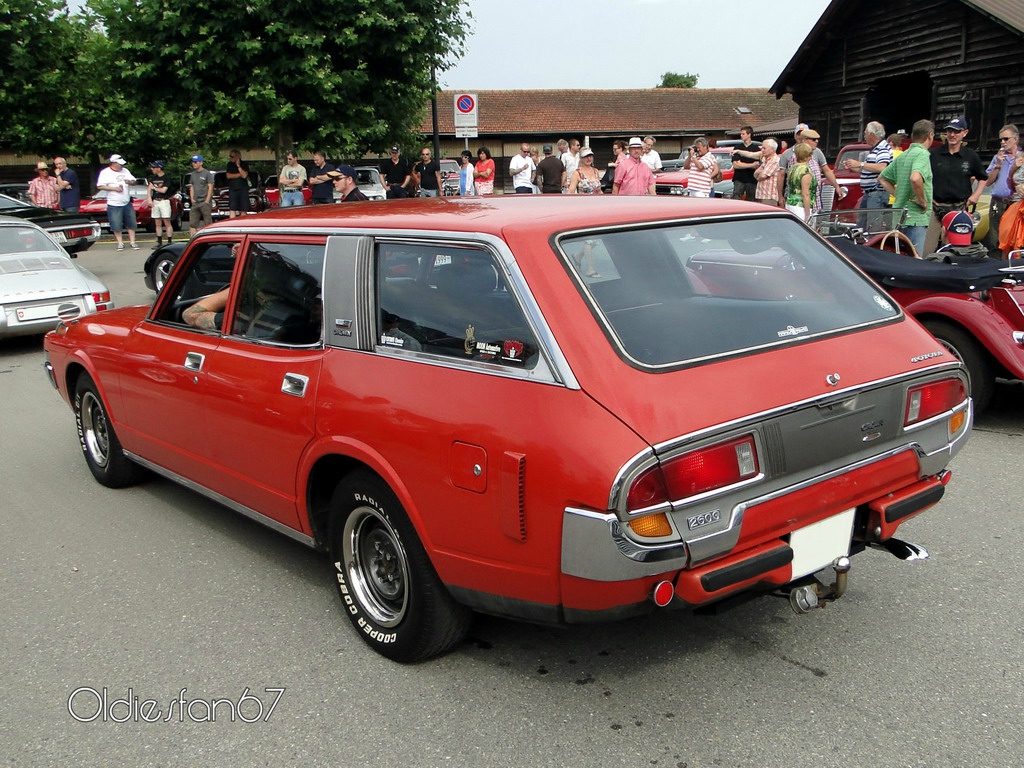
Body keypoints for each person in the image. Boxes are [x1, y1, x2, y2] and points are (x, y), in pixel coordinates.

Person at [926, 117, 986, 253]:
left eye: (956, 132)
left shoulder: (970, 156)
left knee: (956, 250)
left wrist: (976, 194)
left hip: (958, 208)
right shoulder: (933, 154)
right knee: (927, 249)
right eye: (949, 131)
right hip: (935, 207)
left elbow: (983, 177)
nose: (952, 135)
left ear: (964, 133)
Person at [879, 119, 935, 255]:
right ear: (930, 135)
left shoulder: (904, 155)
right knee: (915, 258)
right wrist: (922, 200)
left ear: (912, 137)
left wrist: (899, 195)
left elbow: (882, 178)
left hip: (899, 216)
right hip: (916, 217)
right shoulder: (922, 154)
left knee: (900, 258)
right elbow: (915, 178)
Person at [777, 126, 846, 209]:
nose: (816, 141)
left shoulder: (817, 152)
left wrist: (837, 187)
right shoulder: (788, 154)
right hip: (796, 199)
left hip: (814, 197)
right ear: (804, 140)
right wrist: (780, 196)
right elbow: (781, 175)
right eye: (813, 139)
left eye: (817, 139)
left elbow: (826, 170)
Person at [982, 124, 1021, 253]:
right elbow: (987, 182)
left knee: (1013, 239)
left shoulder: (1022, 157)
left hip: (1016, 203)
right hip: (997, 202)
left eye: (1006, 139)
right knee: (994, 239)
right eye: (1000, 140)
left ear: (1015, 139)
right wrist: (997, 166)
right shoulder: (997, 157)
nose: (1002, 142)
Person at [844, 121, 892, 210]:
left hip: (877, 193)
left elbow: (882, 167)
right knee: (862, 222)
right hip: (869, 193)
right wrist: (852, 166)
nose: (864, 135)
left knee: (873, 223)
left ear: (871, 134)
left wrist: (860, 163)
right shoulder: (875, 149)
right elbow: (868, 169)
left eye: (865, 132)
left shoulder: (882, 148)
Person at [96, 154, 139, 251]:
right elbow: (100, 186)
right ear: (114, 163)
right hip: (114, 202)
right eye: (119, 164)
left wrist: (130, 182)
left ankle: (133, 241)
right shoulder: (105, 172)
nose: (121, 166)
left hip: (126, 201)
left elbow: (134, 181)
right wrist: (114, 188)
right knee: (116, 223)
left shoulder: (125, 171)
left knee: (131, 222)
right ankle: (120, 242)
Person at [146, 160, 177, 248]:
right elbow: (149, 189)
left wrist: (154, 188)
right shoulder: (153, 178)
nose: (152, 169)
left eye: (154, 167)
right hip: (156, 201)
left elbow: (164, 190)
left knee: (166, 221)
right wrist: (149, 198)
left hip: (164, 201)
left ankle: (169, 240)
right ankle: (159, 241)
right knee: (157, 222)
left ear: (159, 168)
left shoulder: (166, 178)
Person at [784, 142, 817, 221]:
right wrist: (808, 214)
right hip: (801, 206)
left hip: (790, 203)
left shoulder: (792, 168)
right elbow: (805, 194)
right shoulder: (805, 170)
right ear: (809, 155)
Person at [187, 154, 215, 236]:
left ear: (201, 163)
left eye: (195, 162)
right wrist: (192, 198)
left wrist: (207, 200)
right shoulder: (192, 174)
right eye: (193, 162)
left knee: (208, 222)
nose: (194, 164)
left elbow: (210, 187)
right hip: (195, 202)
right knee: (193, 223)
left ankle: (210, 239)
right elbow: (191, 186)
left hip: (204, 201)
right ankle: (192, 241)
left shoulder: (207, 173)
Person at [730, 127, 760, 201]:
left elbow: (756, 165)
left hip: (751, 179)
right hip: (739, 178)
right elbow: (736, 165)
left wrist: (742, 164)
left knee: (752, 200)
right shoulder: (737, 148)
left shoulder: (756, 149)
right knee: (736, 198)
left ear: (749, 134)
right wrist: (751, 165)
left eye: (743, 134)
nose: (741, 135)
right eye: (741, 134)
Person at [753, 138, 780, 206]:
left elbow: (762, 176)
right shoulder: (765, 160)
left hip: (769, 196)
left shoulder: (775, 160)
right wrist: (759, 174)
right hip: (760, 195)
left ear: (772, 149)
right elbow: (755, 174)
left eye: (764, 148)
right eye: (762, 148)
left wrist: (759, 175)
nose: (762, 150)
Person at [225, 149, 251, 218]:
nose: (230, 158)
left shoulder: (244, 164)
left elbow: (245, 175)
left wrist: (239, 166)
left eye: (232, 156)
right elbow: (228, 176)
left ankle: (242, 224)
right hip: (233, 189)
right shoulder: (229, 164)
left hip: (243, 189)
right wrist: (239, 175)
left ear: (237, 156)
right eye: (230, 156)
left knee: (243, 208)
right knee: (232, 208)